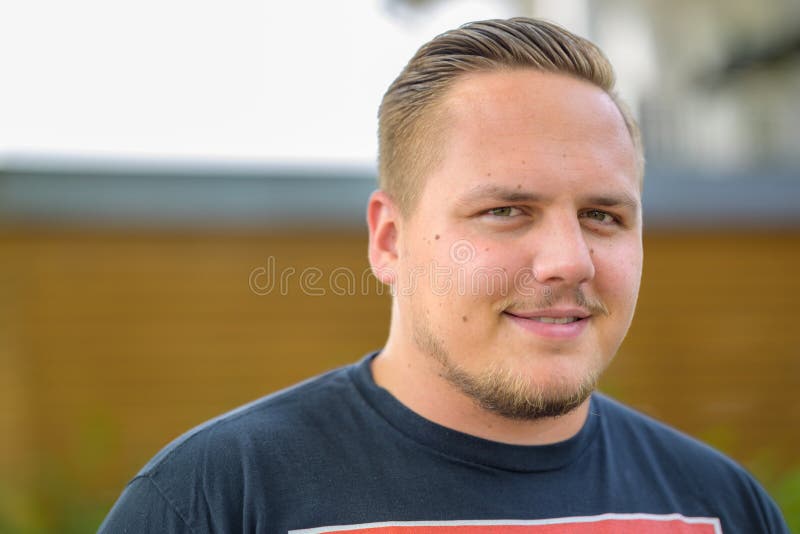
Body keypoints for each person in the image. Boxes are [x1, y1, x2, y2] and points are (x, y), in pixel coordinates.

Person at [98, 17, 788, 533]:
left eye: (604, 216)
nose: (570, 260)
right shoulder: (217, 501)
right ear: (390, 241)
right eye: (507, 210)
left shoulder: (720, 510)